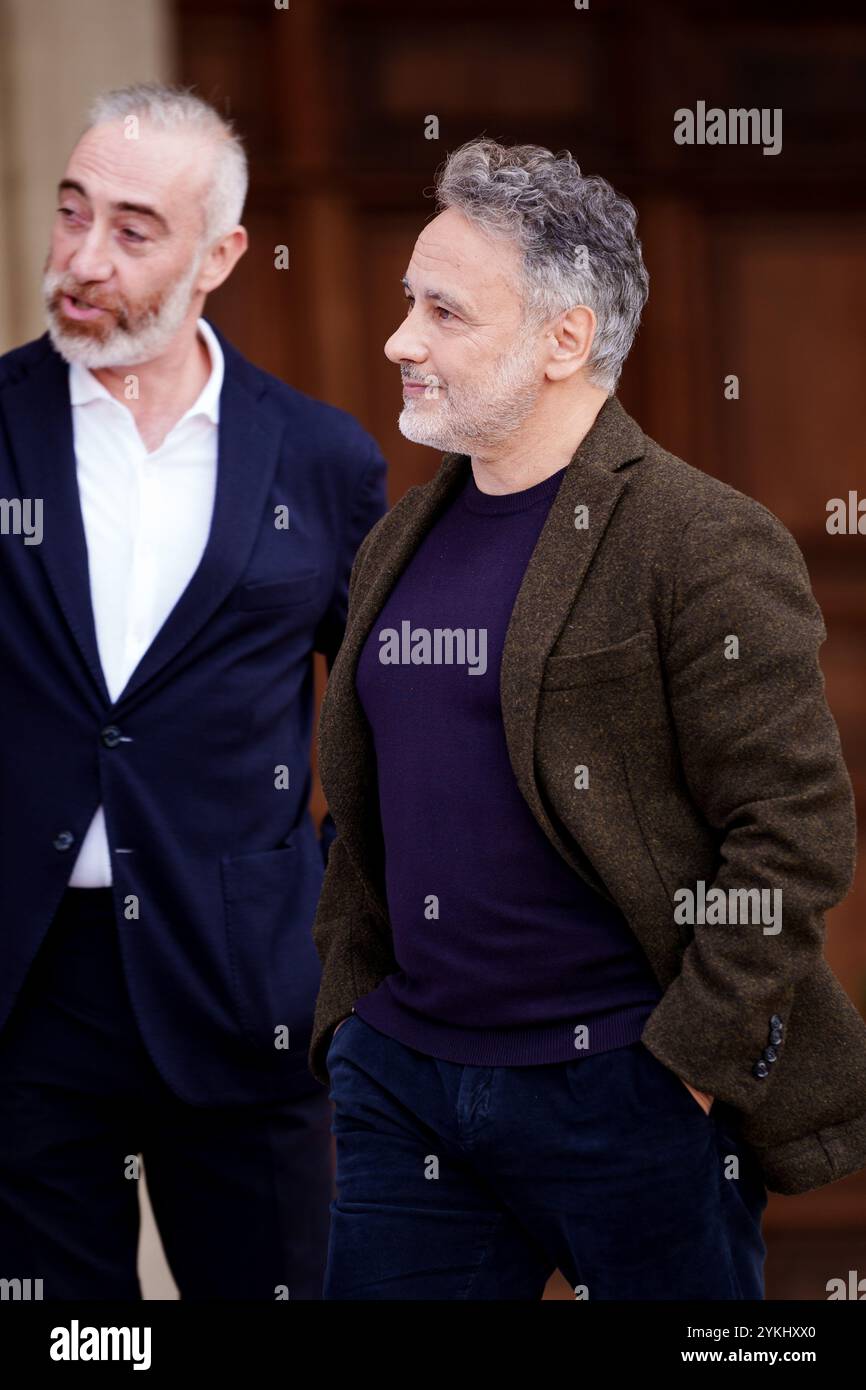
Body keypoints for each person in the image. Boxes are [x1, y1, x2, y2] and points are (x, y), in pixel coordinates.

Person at [309, 137, 866, 1300]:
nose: (399, 338)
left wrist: (687, 1066)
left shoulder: (698, 539)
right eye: (410, 301)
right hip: (407, 1082)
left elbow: (793, 832)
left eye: (444, 311)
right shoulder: (395, 540)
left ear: (562, 339)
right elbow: (368, 804)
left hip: (626, 1090)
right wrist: (352, 1020)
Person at [0, 83, 387, 1299]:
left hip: (246, 989)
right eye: (71, 214)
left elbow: (389, 716)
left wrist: (338, 926)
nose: (81, 257)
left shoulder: (323, 459)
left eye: (130, 228)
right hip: (22, 989)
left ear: (219, 254)